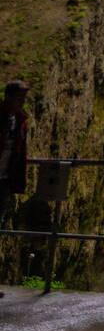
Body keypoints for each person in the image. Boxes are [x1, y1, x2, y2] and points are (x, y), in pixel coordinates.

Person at [0, 80, 29, 297]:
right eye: (20, 98)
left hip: (4, 180)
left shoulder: (20, 120)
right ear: (8, 97)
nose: (23, 102)